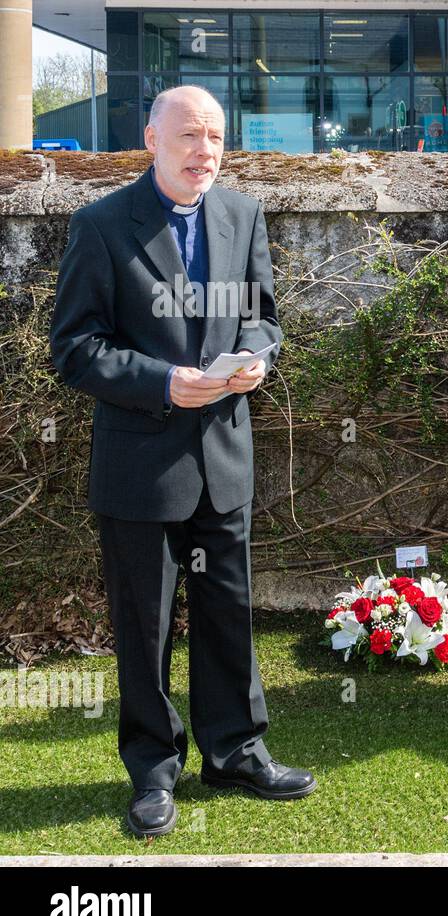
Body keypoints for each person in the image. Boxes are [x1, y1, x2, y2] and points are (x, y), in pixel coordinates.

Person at [49, 85, 316, 838]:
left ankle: (236, 752)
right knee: (146, 626)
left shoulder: (242, 215)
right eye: (190, 136)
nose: (206, 150)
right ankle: (152, 771)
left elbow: (264, 317)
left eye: (217, 137)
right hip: (141, 468)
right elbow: (74, 349)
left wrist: (258, 359)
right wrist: (165, 382)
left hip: (224, 459)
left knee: (230, 614)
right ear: (152, 139)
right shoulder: (100, 226)